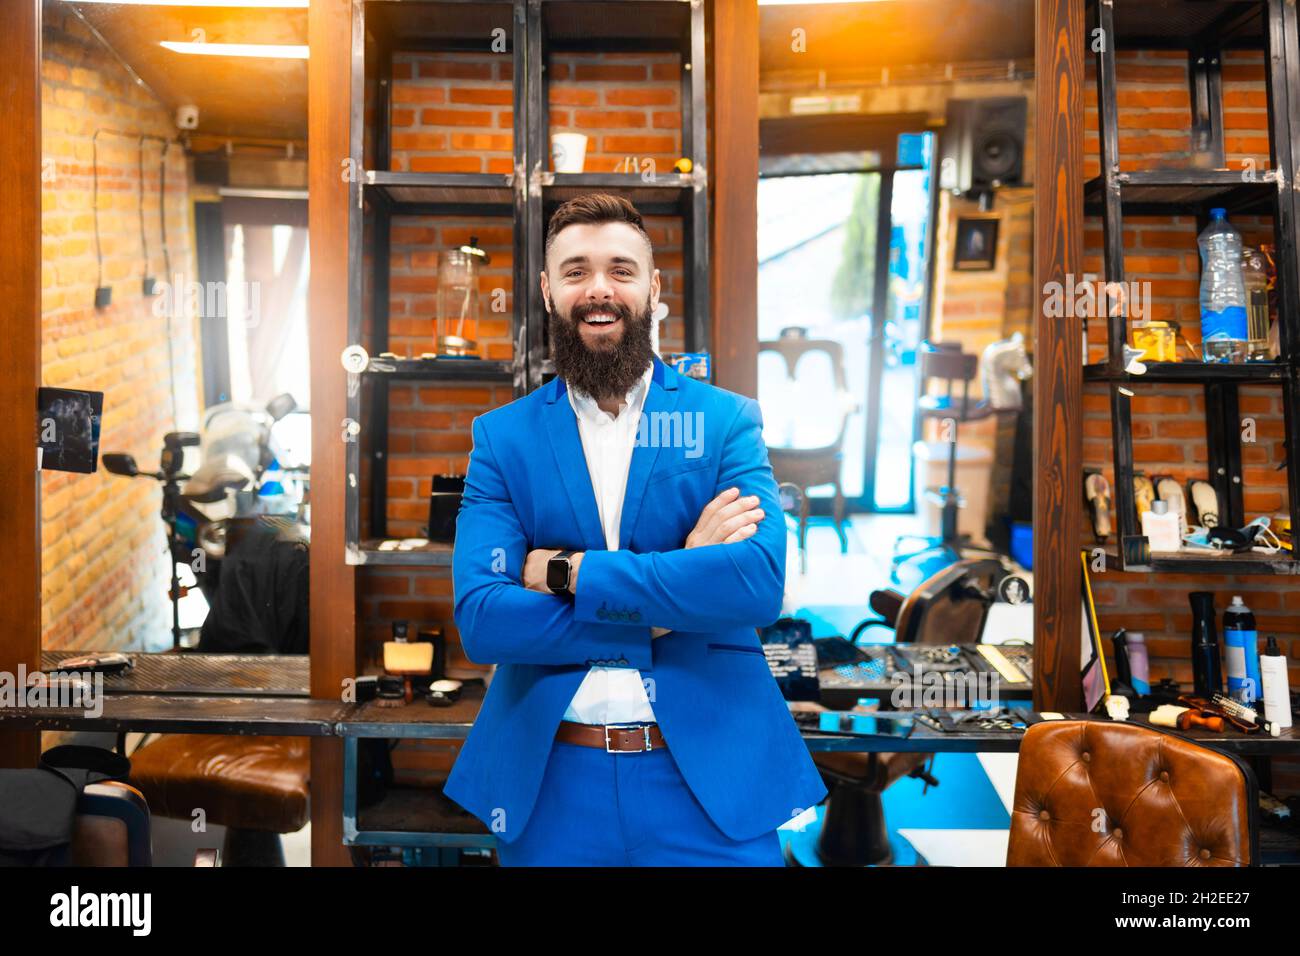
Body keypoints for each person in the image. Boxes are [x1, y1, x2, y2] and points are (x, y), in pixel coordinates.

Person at [445, 193, 827, 866]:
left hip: (708, 784)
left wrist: (564, 572)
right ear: (546, 290)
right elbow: (484, 621)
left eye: (621, 269)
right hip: (553, 785)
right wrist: (679, 581)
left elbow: (757, 583)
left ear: (654, 287)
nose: (599, 289)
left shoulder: (724, 421)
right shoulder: (502, 440)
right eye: (576, 270)